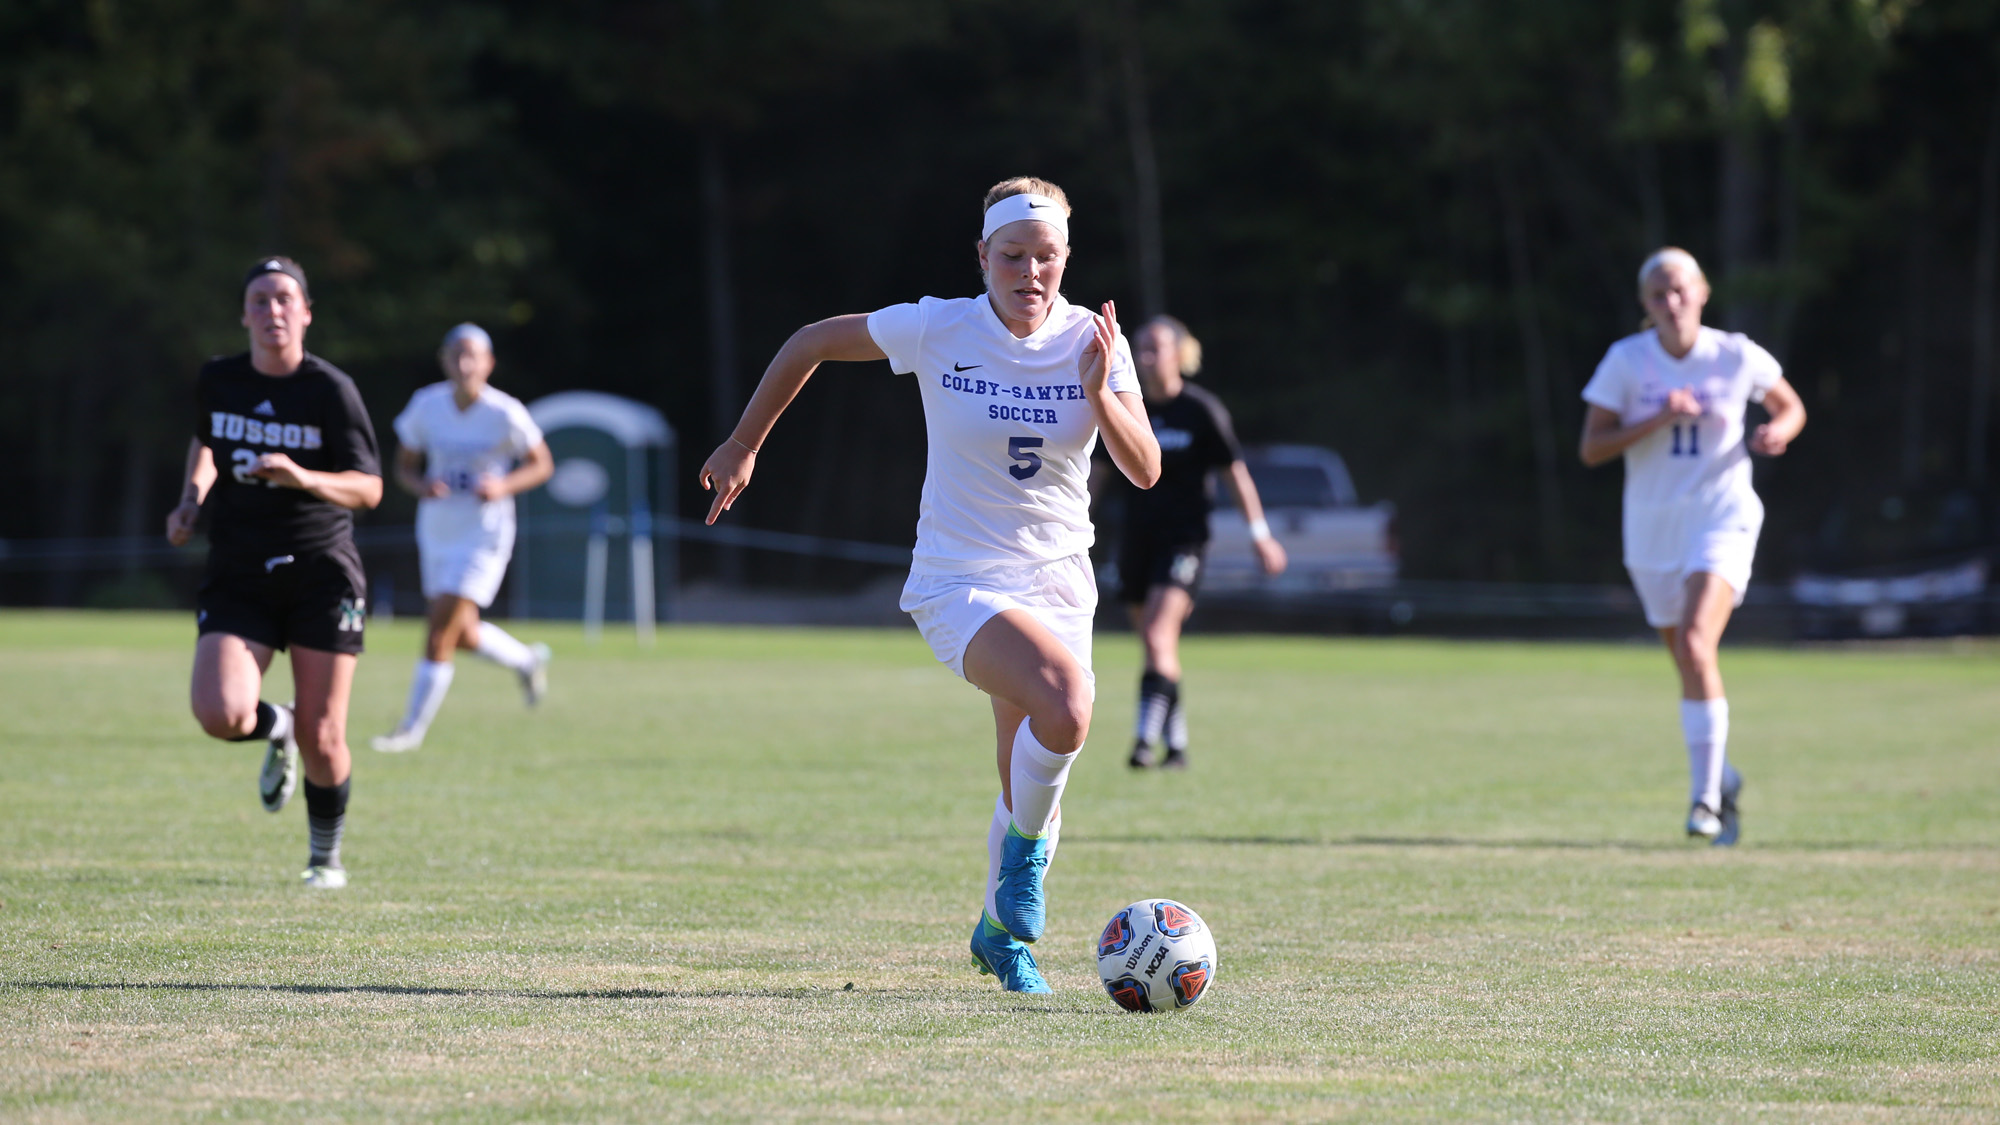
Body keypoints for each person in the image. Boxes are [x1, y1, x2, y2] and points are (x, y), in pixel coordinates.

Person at [699, 177, 1160, 992]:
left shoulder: (1097, 339)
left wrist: (1098, 390)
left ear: (1065, 259)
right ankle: (1018, 878)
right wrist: (744, 441)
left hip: (1060, 582)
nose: (1029, 273)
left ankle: (997, 936)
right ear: (982, 256)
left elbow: (1146, 468)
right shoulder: (939, 326)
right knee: (1067, 703)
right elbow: (808, 340)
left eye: (1045, 257)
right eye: (1012, 256)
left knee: (1030, 783)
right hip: (959, 580)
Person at [164, 256, 384, 888]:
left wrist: (303, 476)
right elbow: (207, 440)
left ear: (306, 312)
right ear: (244, 315)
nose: (273, 311)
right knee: (221, 714)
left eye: (285, 299)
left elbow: (369, 489)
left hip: (321, 572)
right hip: (239, 570)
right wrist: (191, 499)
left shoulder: (331, 390)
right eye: (259, 300)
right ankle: (277, 725)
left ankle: (324, 858)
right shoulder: (219, 378)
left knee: (325, 733)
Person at [1579, 247, 1806, 845]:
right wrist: (1655, 418)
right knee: (1685, 658)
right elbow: (1592, 447)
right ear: (1645, 305)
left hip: (1721, 518)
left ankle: (1704, 800)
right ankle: (1723, 775)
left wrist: (1776, 432)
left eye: (1680, 290)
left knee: (1700, 643)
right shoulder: (1627, 361)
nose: (1671, 302)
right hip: (1652, 529)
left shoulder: (1733, 354)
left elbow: (1789, 405)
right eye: (1658, 294)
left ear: (1702, 293)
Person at [1098, 315, 1286, 770]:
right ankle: (1176, 745)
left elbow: (1234, 473)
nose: (1145, 356)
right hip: (1136, 543)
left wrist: (1260, 536)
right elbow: (1095, 477)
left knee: (1160, 634)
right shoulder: (1126, 408)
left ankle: (1143, 741)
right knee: (1155, 645)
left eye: (1155, 347)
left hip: (1184, 543)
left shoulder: (1201, 410)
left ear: (1180, 354)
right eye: (1139, 347)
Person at [371, 324, 554, 754]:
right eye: (457, 354)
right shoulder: (426, 405)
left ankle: (409, 730)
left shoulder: (504, 412)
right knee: (462, 633)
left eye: (473, 355)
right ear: (444, 359)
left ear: (488, 363)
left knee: (438, 631)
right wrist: (421, 486)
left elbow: (541, 464)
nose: (465, 363)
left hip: (483, 534)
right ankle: (527, 660)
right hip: (437, 530)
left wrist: (503, 487)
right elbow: (404, 467)